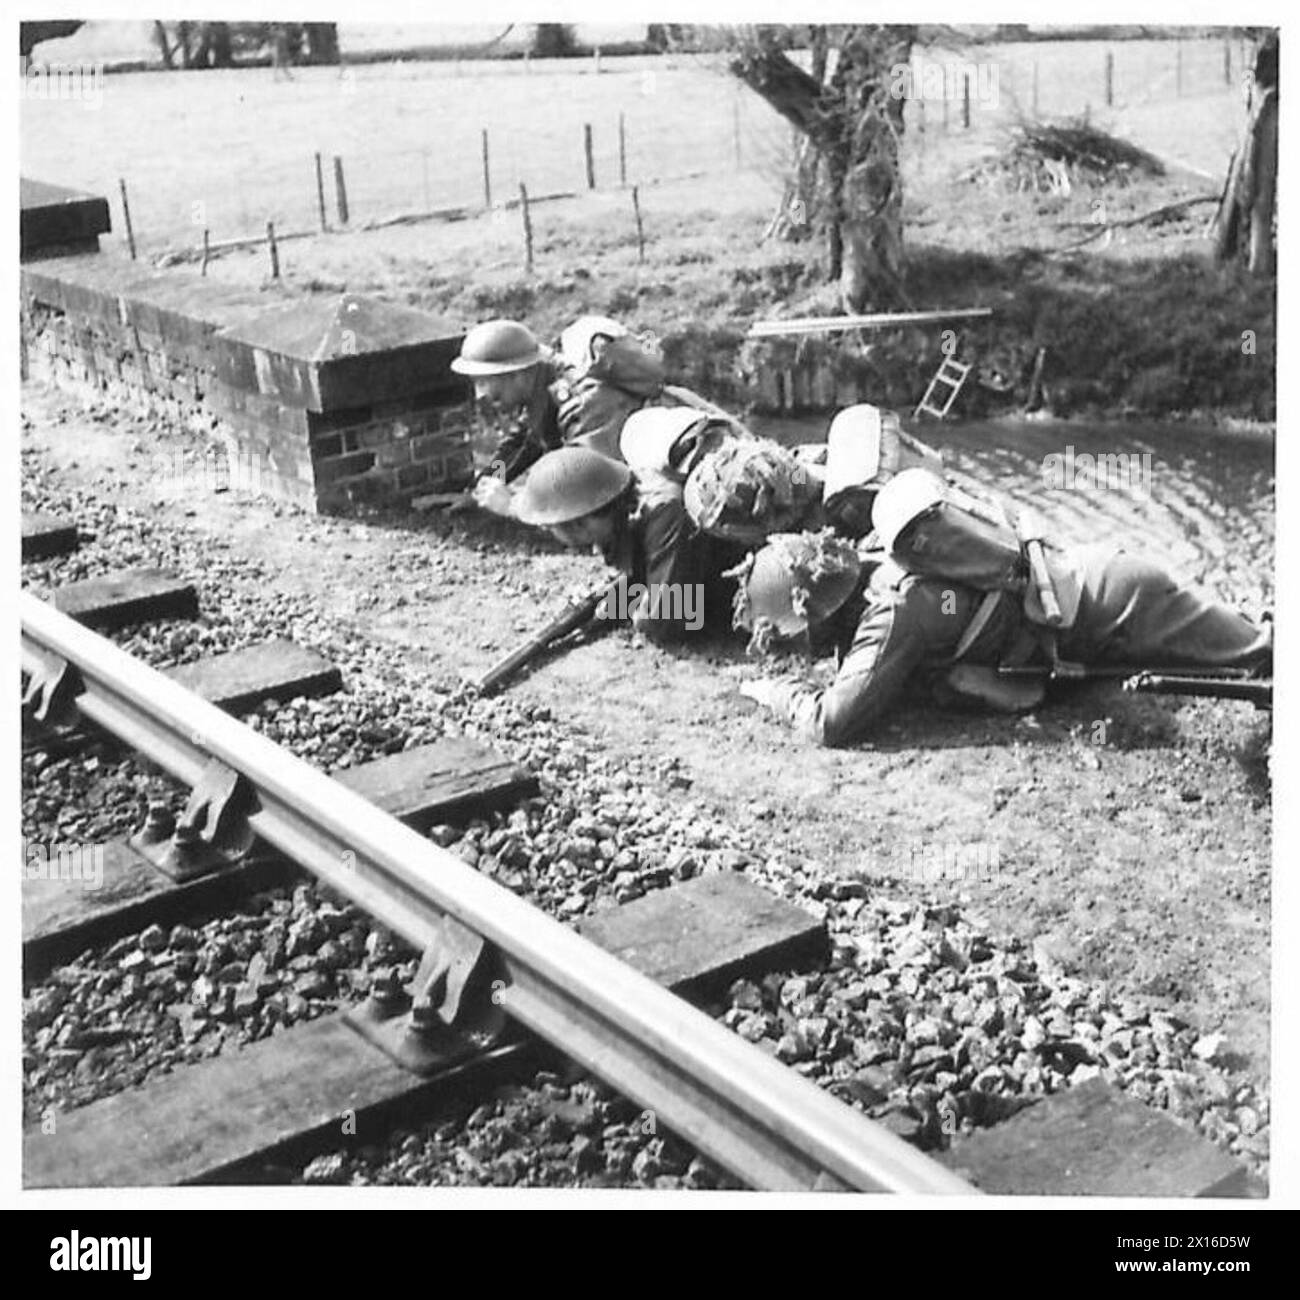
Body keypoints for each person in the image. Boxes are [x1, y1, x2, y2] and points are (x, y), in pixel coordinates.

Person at [731, 470, 1273, 749]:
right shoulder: (880, 556)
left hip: (1114, 602)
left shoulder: (896, 609)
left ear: (817, 608)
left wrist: (769, 691)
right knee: (1250, 649)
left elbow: (832, 723)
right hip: (1098, 577)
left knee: (1263, 654)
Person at [512, 446, 744, 644]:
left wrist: (626, 605)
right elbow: (645, 574)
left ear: (580, 524)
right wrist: (614, 603)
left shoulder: (665, 511)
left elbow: (668, 622)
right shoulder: (623, 505)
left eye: (552, 526)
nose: (548, 531)